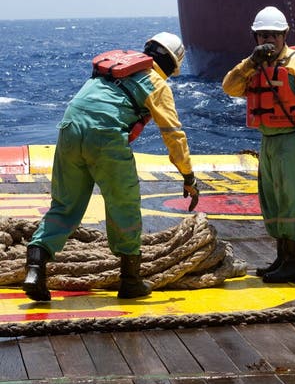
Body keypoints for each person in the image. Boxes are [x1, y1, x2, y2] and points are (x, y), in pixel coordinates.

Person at [23, 32, 200, 303]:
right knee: (124, 204)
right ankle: (130, 280)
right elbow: (173, 133)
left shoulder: (111, 70)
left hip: (69, 128)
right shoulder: (156, 83)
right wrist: (188, 175)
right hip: (104, 136)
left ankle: (35, 268)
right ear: (171, 66)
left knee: (64, 206)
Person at [222, 6, 295, 283]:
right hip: (268, 141)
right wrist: (250, 62)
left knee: (292, 202)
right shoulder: (254, 66)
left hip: (291, 141)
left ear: (284, 35)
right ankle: (282, 257)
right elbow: (230, 87)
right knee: (272, 201)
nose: (267, 40)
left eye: (273, 34)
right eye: (262, 36)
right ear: (255, 38)